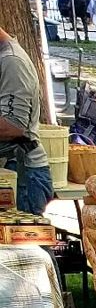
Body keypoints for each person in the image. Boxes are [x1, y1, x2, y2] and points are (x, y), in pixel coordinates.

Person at [0, 25, 53, 215]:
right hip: (11, 171)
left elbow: (13, 126)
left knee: (25, 244)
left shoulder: (12, 62)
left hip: (24, 177)